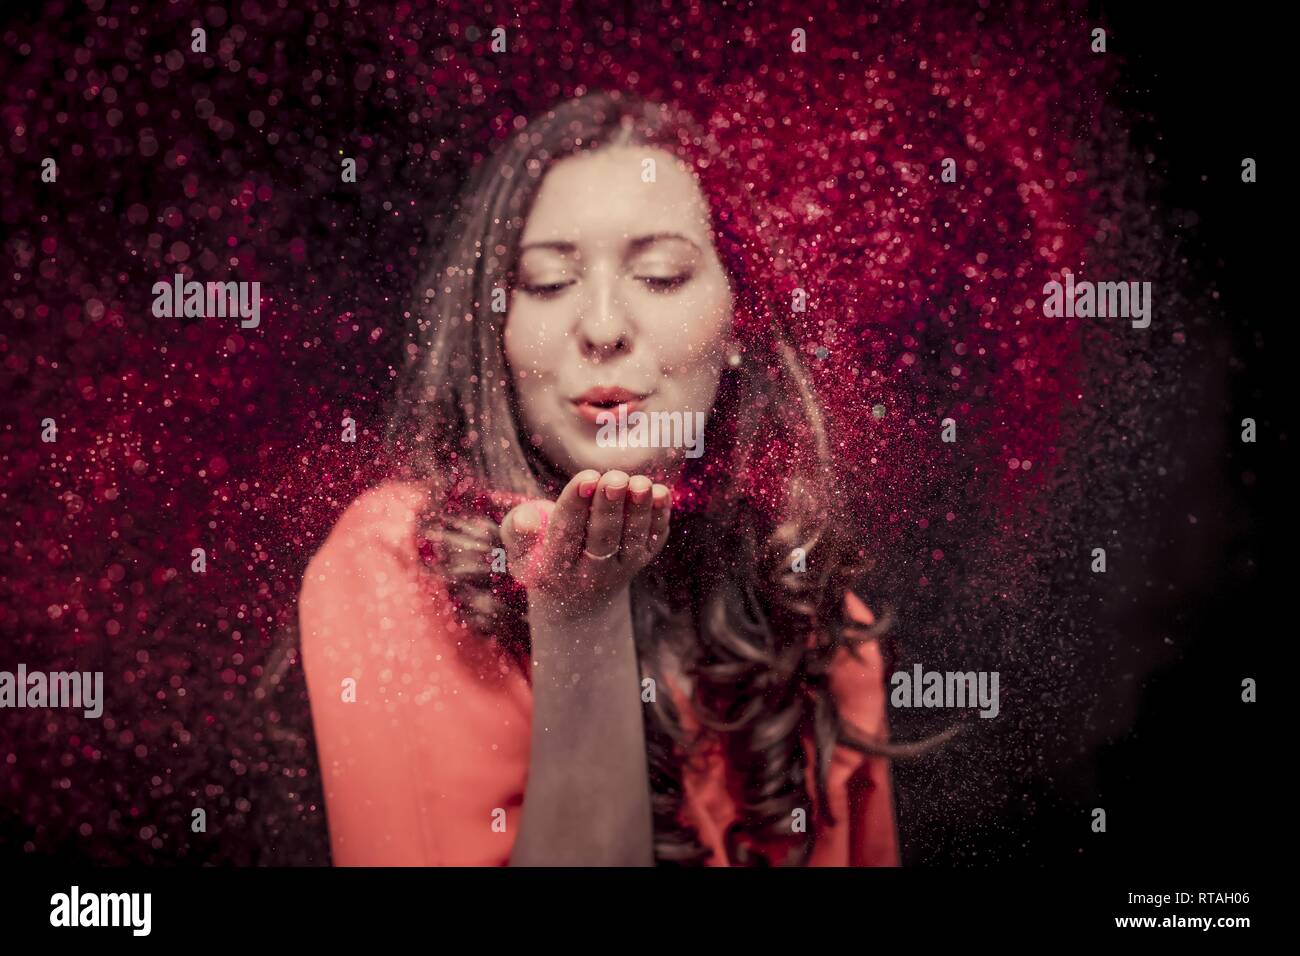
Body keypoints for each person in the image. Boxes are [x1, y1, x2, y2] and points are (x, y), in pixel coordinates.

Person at [299, 91, 904, 866]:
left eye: (660, 275)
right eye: (549, 284)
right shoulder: (399, 561)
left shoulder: (816, 616)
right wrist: (578, 618)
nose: (605, 327)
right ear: (495, 333)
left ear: (739, 326)